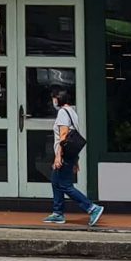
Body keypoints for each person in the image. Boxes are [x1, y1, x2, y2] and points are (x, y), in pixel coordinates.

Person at [46, 87, 104, 228]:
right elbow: (74, 137)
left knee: (65, 185)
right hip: (70, 154)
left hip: (64, 154)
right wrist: (75, 160)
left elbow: (64, 136)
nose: (53, 101)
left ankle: (91, 208)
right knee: (55, 181)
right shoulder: (72, 112)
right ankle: (58, 212)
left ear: (58, 98)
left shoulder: (62, 113)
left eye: (54, 98)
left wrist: (58, 156)